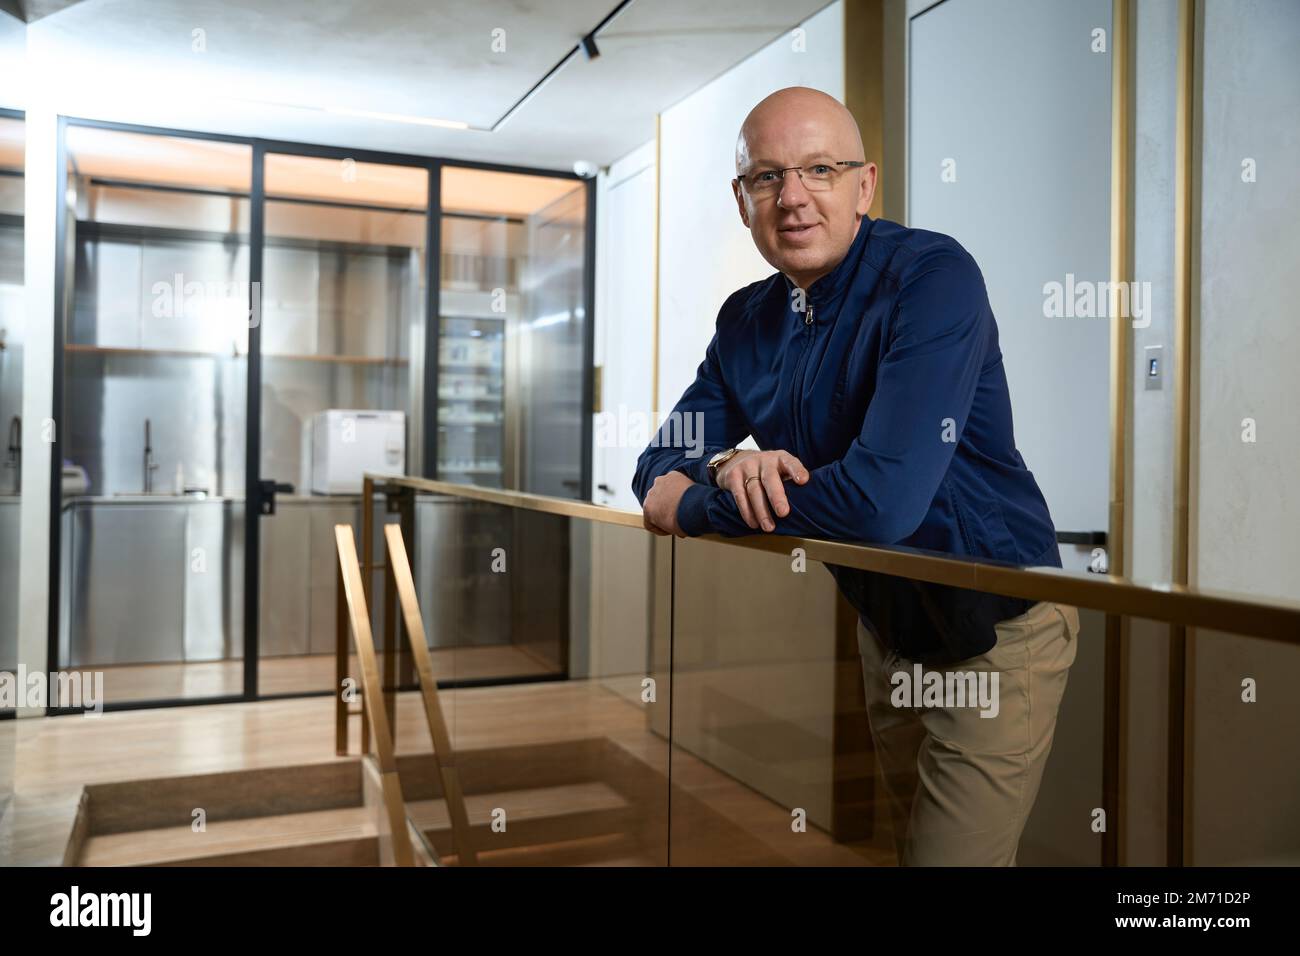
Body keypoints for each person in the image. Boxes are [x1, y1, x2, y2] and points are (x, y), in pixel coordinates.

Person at [631, 86, 1080, 866]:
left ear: (865, 185)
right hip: (890, 631)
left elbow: (880, 503)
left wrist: (704, 505)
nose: (793, 198)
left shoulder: (932, 277)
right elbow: (656, 462)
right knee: (913, 851)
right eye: (767, 177)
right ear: (742, 200)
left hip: (998, 632)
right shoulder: (747, 320)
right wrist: (725, 463)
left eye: (820, 170)